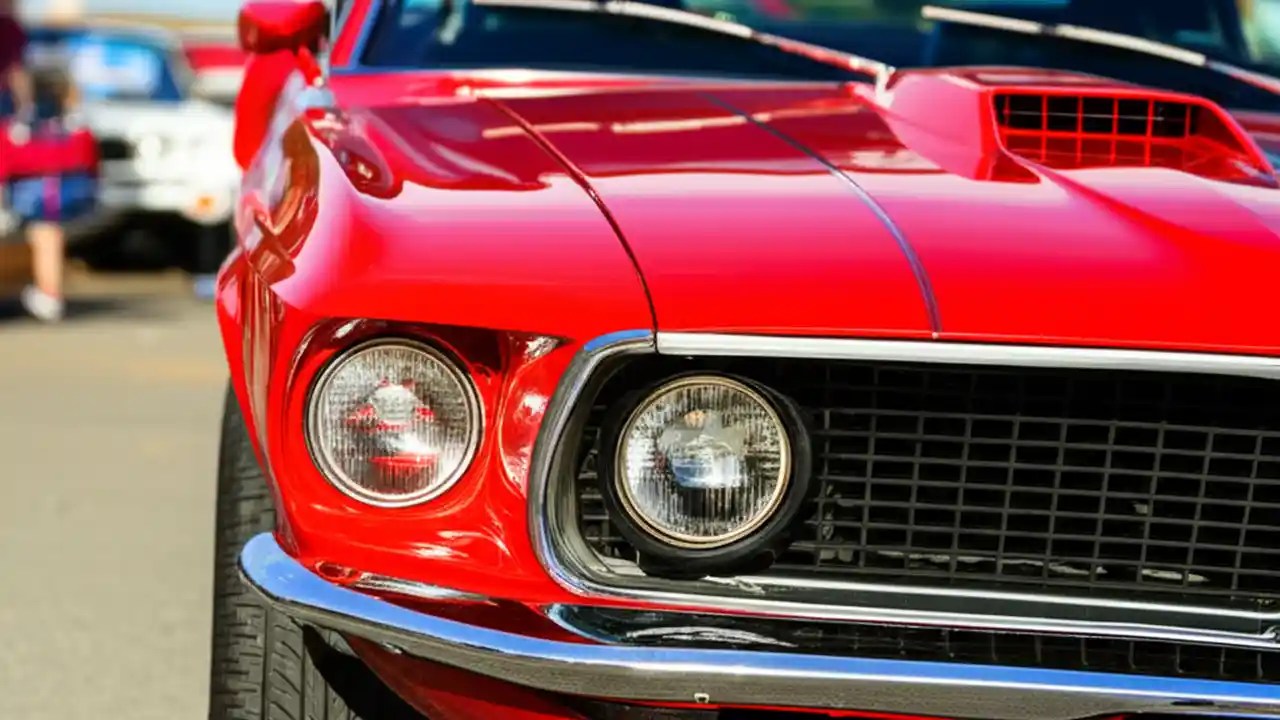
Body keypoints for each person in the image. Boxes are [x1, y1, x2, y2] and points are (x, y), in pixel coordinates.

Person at [4, 66, 97, 322]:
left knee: (46, 237)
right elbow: (85, 156)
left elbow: (10, 157)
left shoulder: (22, 125)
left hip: (34, 196)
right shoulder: (74, 123)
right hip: (59, 194)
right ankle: (49, 292)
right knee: (49, 238)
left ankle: (49, 293)